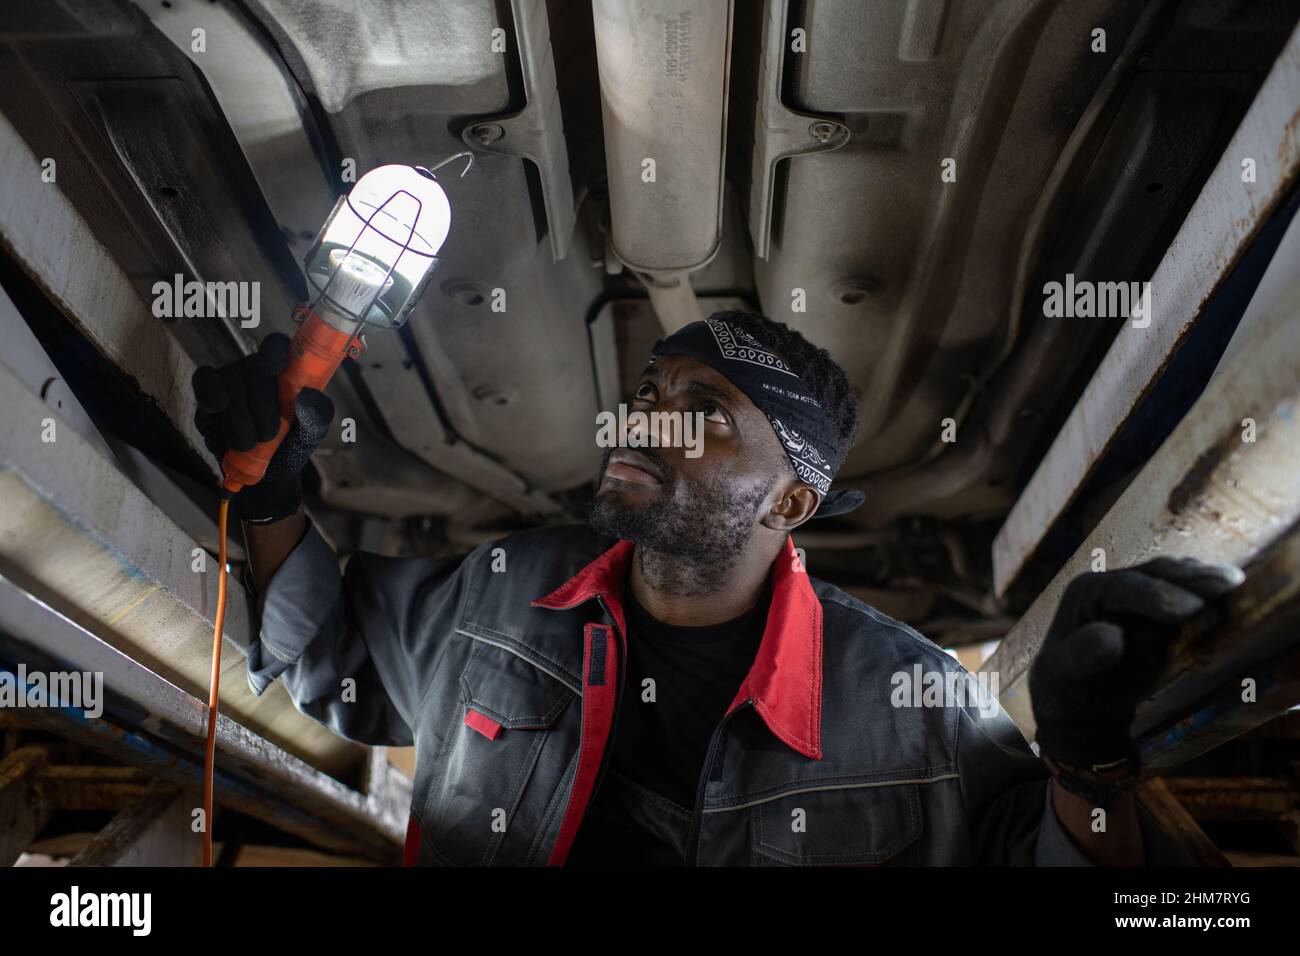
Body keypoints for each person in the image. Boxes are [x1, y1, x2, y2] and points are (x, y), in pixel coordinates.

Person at [192, 310, 1239, 865]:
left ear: (788, 502)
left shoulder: (913, 708)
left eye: (700, 409)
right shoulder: (499, 593)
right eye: (648, 392)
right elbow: (327, 657)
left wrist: (1090, 760)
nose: (644, 418)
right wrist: (276, 487)